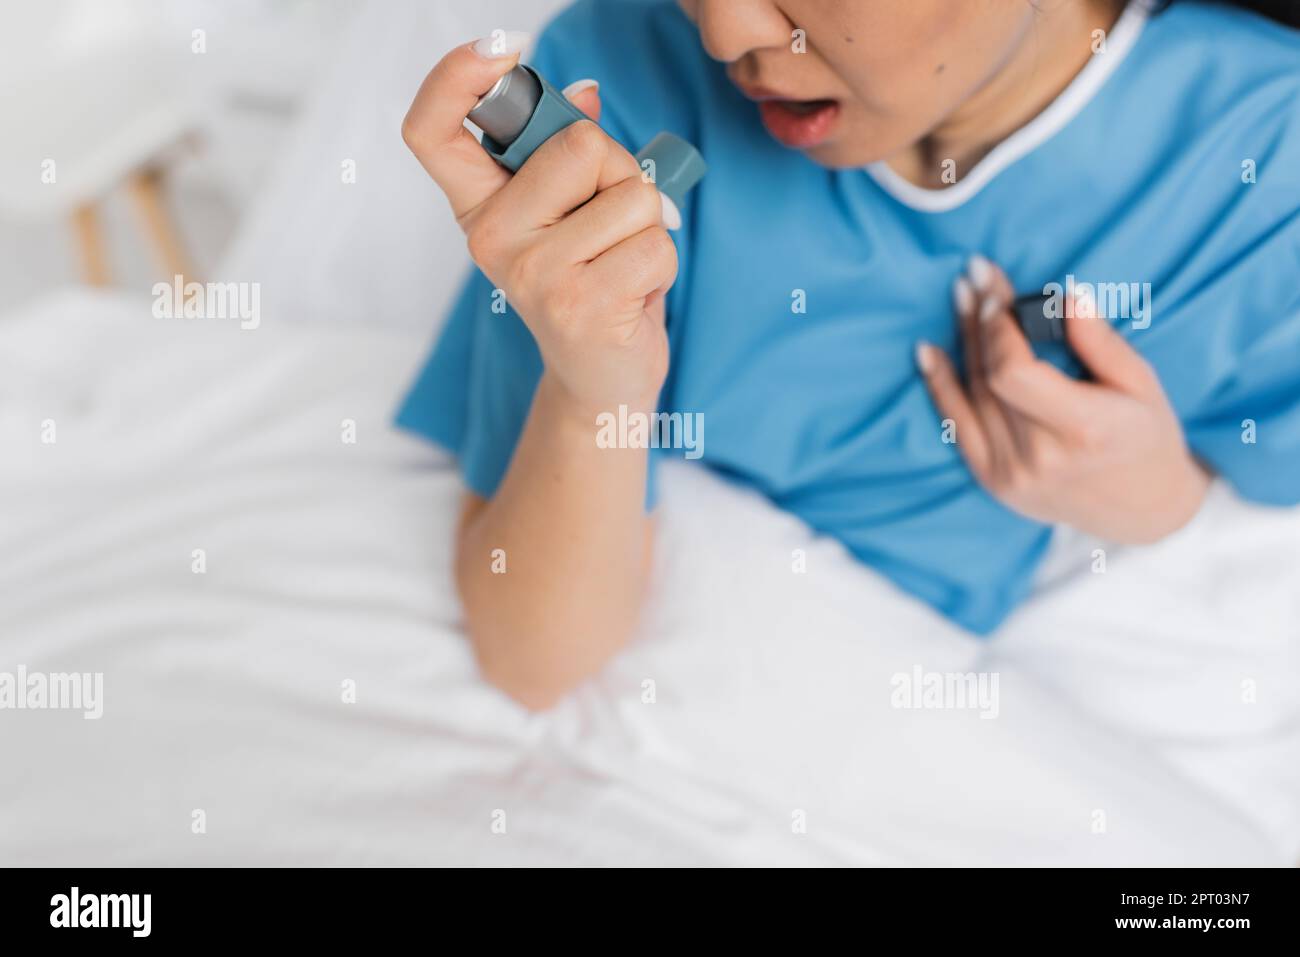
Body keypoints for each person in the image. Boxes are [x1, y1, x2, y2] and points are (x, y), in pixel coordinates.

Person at [396, 0, 1300, 708]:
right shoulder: (623, 92)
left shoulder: (1266, 159)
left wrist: (1164, 506)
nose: (724, 32)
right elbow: (533, 662)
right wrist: (597, 394)